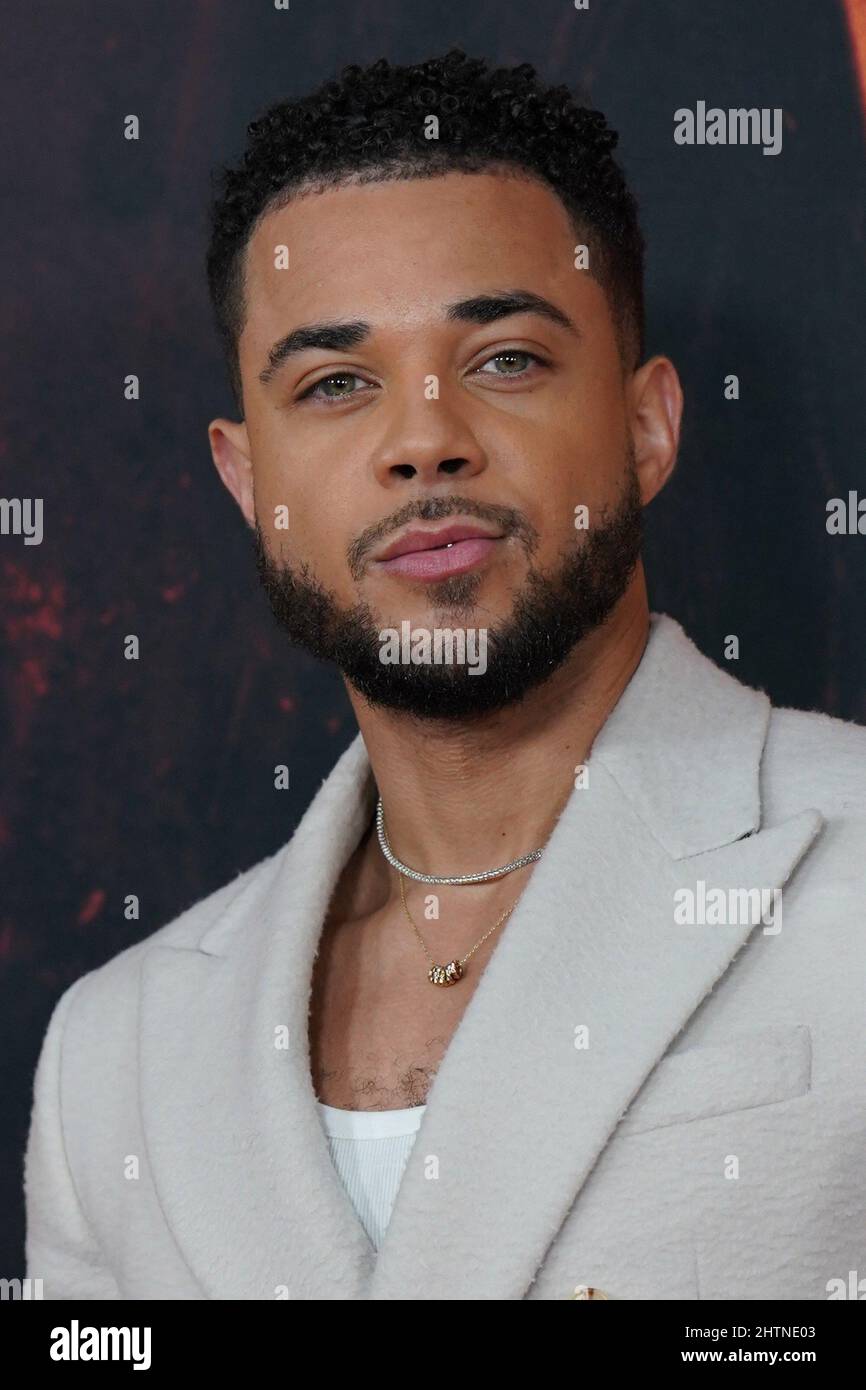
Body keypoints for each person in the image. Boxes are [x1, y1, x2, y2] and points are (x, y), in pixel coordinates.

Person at [24, 47, 866, 1301]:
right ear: (247, 482)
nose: (423, 440)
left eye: (505, 359)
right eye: (336, 384)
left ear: (646, 428)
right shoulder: (116, 1050)